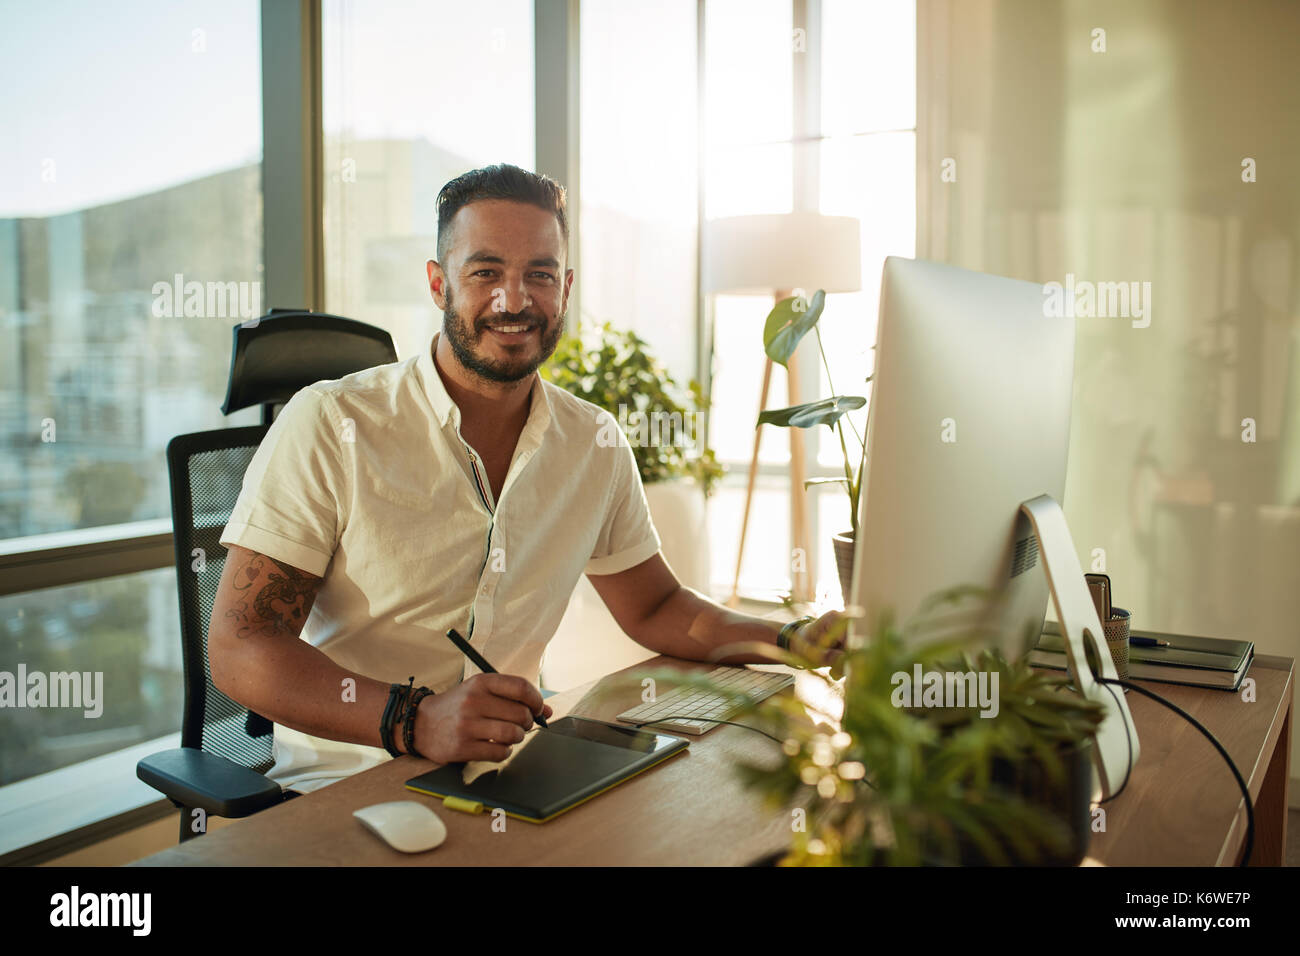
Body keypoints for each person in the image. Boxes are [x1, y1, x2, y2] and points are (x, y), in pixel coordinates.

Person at [209, 163, 844, 794]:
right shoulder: (332, 422)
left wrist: (790, 637)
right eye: (485, 272)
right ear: (438, 284)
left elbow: (657, 606)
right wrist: (417, 720)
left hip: (510, 774)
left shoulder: (592, 441)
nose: (514, 301)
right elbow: (242, 646)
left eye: (538, 275)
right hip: (351, 784)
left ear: (564, 288)